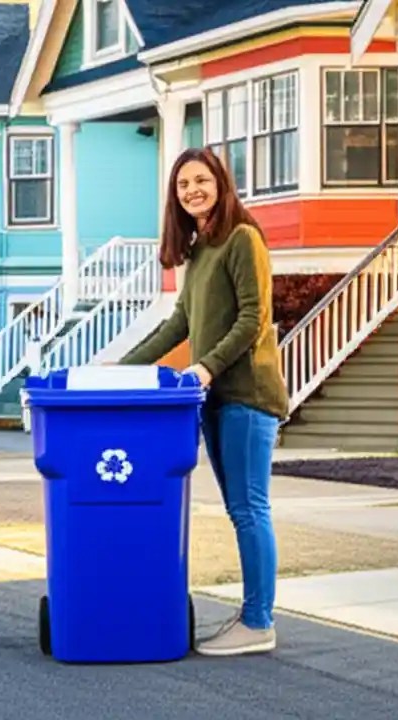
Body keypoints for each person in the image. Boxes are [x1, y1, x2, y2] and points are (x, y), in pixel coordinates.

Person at [118, 146, 289, 657]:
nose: (192, 190)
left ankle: (258, 621)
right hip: (213, 399)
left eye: (201, 180)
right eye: (182, 184)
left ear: (220, 181)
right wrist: (117, 372)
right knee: (242, 508)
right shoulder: (198, 251)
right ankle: (251, 617)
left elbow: (253, 319)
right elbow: (179, 325)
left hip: (247, 394)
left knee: (249, 508)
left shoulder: (243, 238)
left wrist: (205, 367)